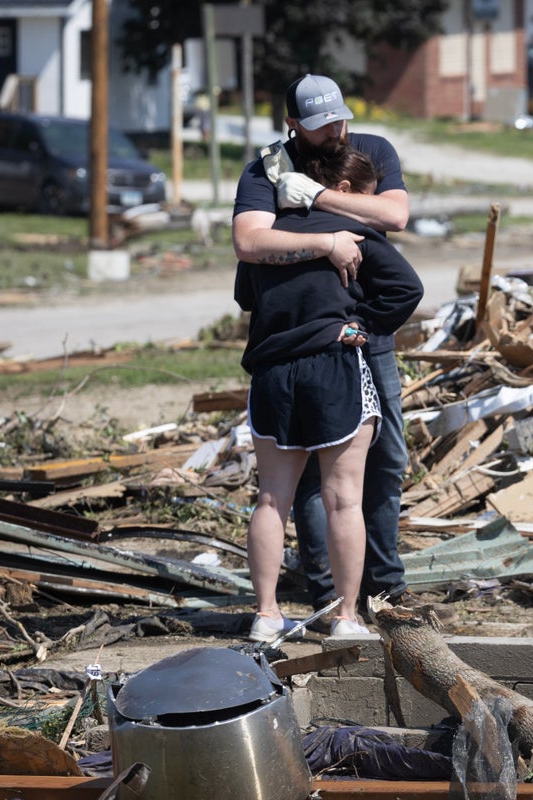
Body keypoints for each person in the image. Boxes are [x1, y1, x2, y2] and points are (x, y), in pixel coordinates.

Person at [233, 74, 415, 626]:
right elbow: (248, 243)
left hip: (358, 338)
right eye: (319, 125)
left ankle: (382, 587)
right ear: (292, 125)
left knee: (383, 463)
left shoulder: (372, 150)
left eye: (339, 119)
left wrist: (318, 199)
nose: (334, 131)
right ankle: (335, 599)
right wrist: (326, 241)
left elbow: (397, 215)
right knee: (324, 485)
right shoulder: (267, 168)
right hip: (321, 345)